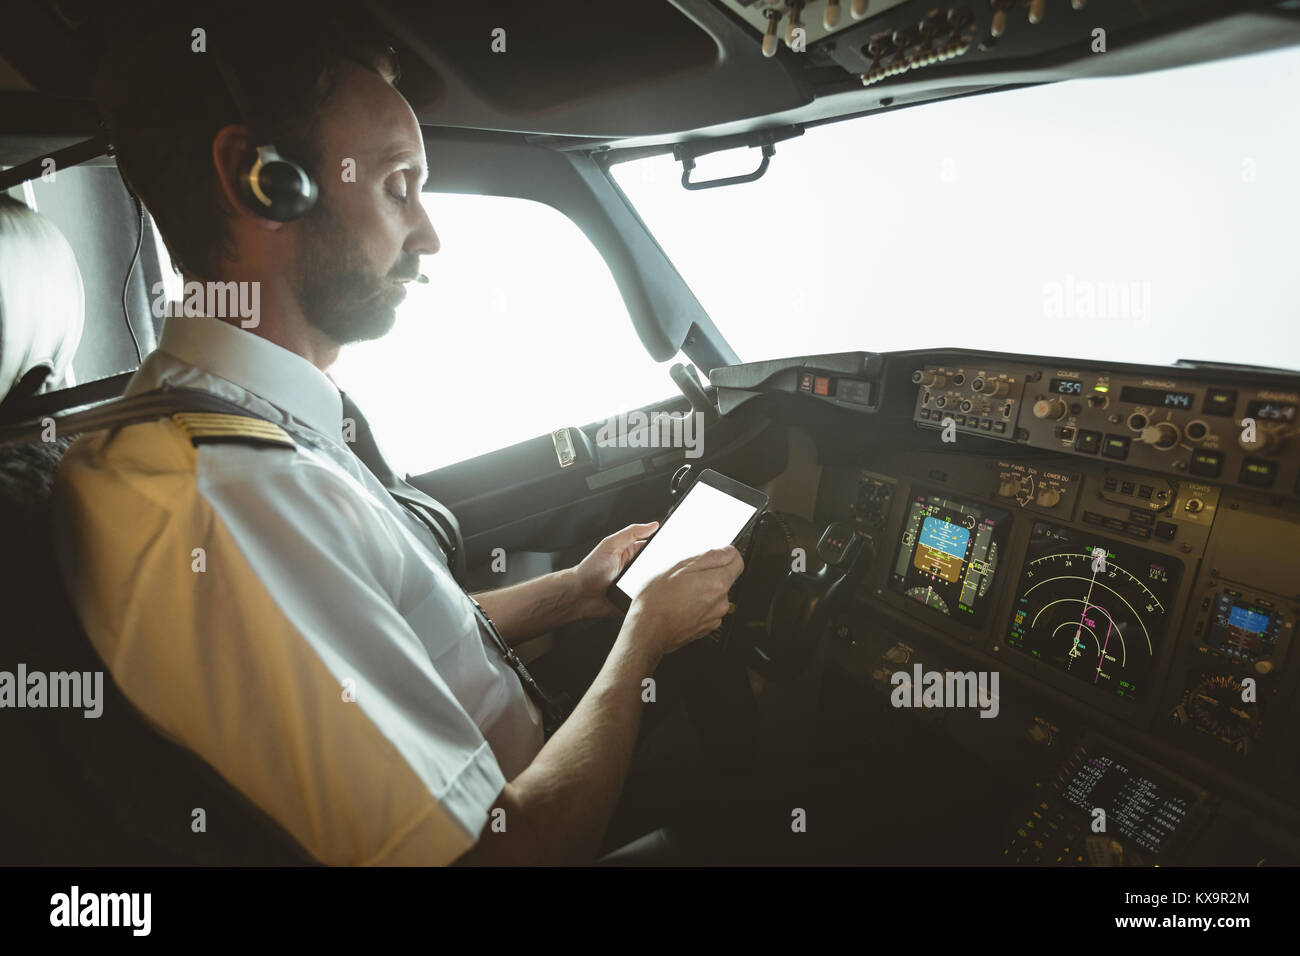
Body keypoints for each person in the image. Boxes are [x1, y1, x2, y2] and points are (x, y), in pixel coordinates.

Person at [52, 8, 743, 865]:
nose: (429, 232)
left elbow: (383, 638)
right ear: (259, 179)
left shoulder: (246, 428)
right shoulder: (216, 495)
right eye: (396, 185)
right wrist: (646, 640)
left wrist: (573, 590)